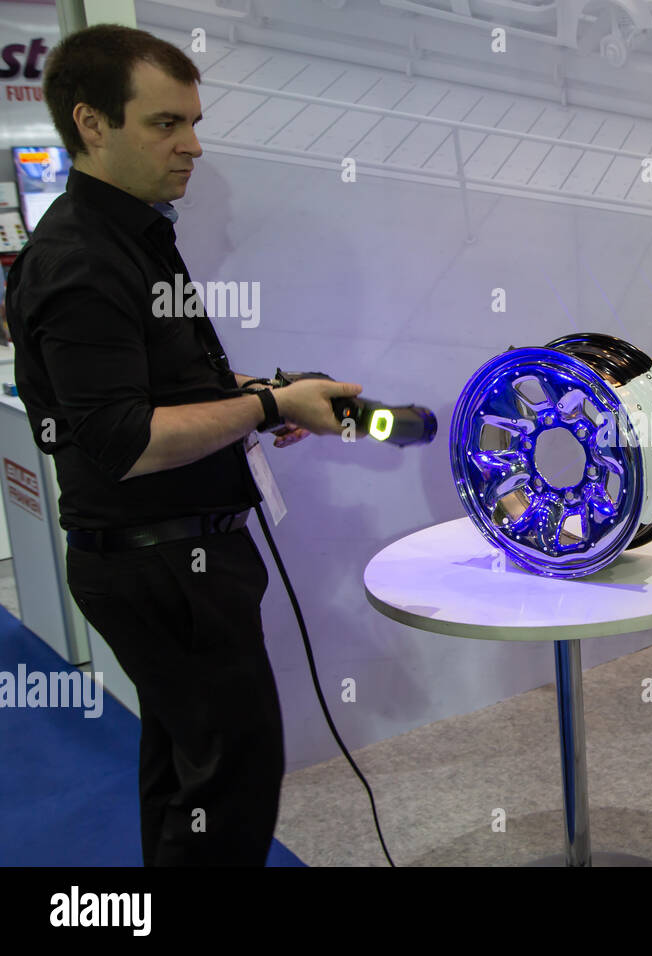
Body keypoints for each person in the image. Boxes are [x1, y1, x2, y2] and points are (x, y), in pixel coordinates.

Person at [4, 24, 363, 866]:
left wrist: (248, 403)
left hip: (173, 564)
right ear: (92, 124)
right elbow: (126, 442)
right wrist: (268, 402)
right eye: (166, 124)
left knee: (185, 776)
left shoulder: (132, 234)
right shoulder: (83, 260)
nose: (192, 146)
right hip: (161, 571)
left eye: (193, 122)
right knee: (230, 785)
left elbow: (147, 398)